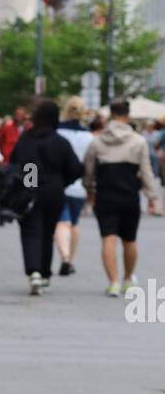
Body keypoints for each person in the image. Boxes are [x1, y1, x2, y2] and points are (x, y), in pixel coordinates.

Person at [83, 97, 160, 297]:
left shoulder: (98, 141)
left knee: (108, 238)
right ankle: (127, 279)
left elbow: (89, 170)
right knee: (129, 240)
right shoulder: (138, 141)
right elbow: (146, 171)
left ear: (110, 114)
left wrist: (89, 189)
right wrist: (152, 197)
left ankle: (113, 282)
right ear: (128, 115)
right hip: (129, 195)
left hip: (105, 195)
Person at [10, 99, 84, 295]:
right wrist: (61, 181)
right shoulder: (60, 142)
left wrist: (30, 183)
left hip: (30, 188)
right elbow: (75, 169)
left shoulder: (27, 139)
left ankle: (33, 271)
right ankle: (44, 273)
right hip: (54, 191)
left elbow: (16, 162)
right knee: (47, 232)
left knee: (30, 231)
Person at [54, 95, 94, 277]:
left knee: (62, 222)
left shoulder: (58, 133)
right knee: (74, 223)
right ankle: (71, 259)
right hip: (80, 186)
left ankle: (64, 256)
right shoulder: (89, 136)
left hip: (59, 184)